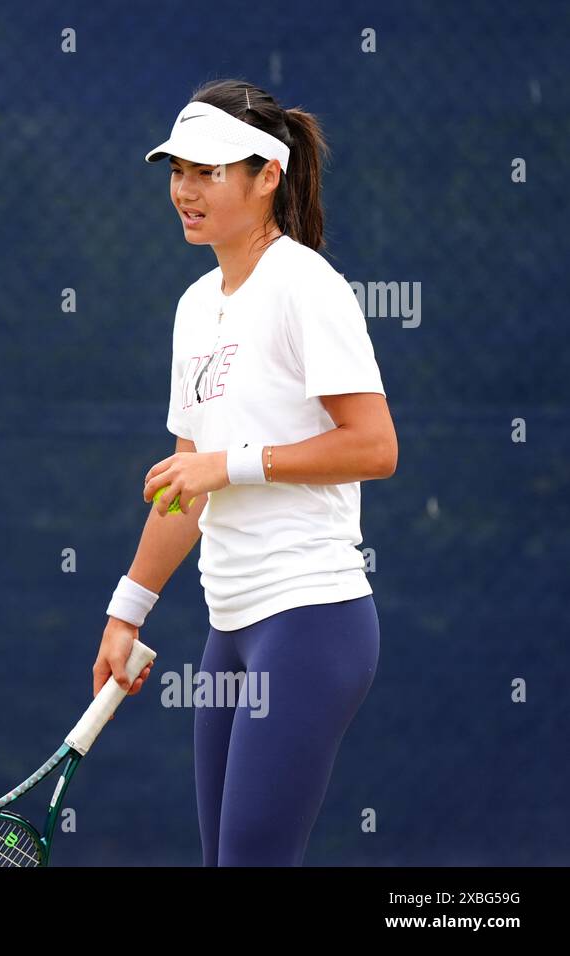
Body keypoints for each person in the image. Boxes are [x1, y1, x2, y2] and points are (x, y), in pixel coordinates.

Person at [92, 79, 396, 866]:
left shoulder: (306, 286)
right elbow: (185, 483)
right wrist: (128, 611)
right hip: (229, 629)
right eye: (177, 172)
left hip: (312, 621)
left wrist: (232, 465)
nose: (186, 192)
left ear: (269, 176)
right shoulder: (196, 305)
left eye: (210, 172)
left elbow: (374, 446)